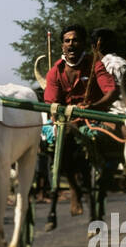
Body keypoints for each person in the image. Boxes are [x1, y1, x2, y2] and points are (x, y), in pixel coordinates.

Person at [42, 24, 117, 225]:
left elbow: (112, 92)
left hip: (93, 120)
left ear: (83, 43)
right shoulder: (55, 71)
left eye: (75, 40)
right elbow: (51, 103)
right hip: (65, 122)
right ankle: (73, 188)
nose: (71, 44)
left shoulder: (95, 65)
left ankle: (94, 196)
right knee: (53, 141)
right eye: (67, 41)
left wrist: (93, 106)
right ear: (62, 45)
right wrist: (63, 115)